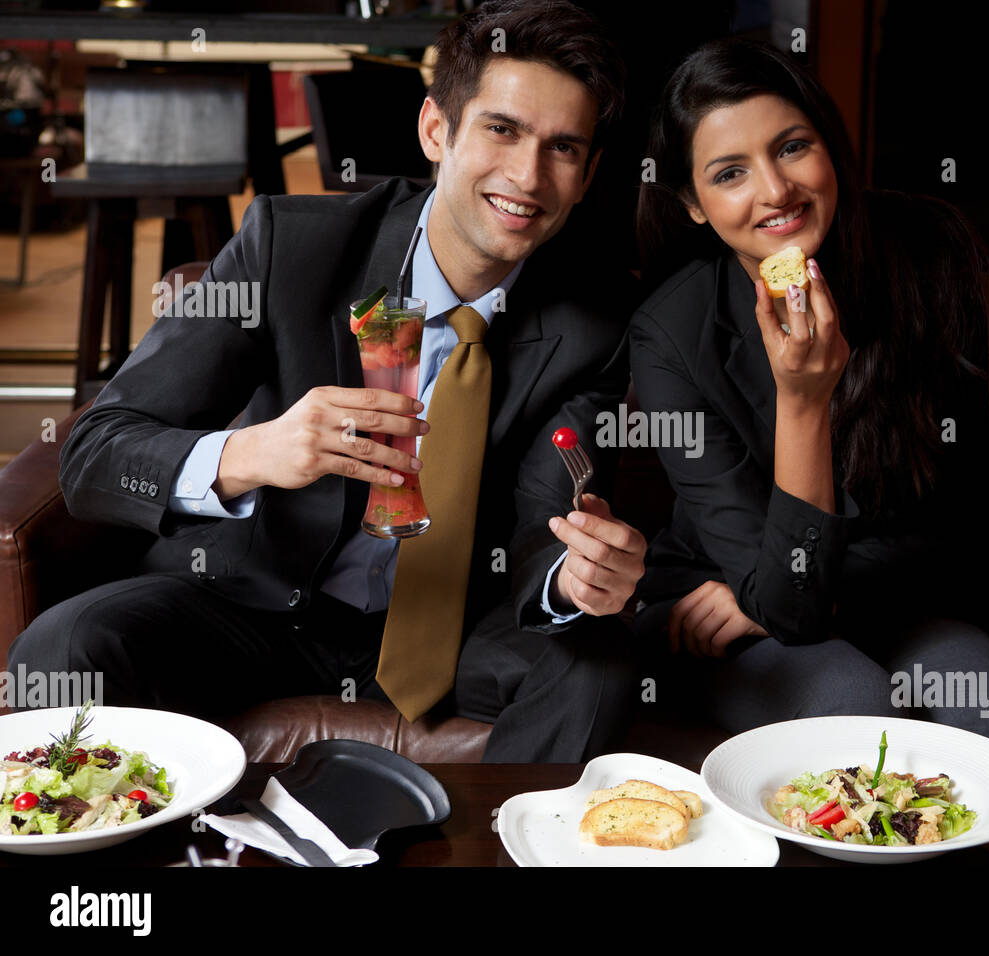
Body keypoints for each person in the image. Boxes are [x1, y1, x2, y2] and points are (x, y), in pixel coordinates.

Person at [7, 0, 648, 762]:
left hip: (452, 628)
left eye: (563, 148)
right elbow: (95, 457)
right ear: (436, 131)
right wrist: (252, 453)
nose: (526, 174)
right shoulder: (294, 246)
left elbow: (544, 521)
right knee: (67, 644)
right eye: (501, 130)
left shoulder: (594, 324)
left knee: (599, 667)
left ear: (587, 176)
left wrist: (574, 579)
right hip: (253, 604)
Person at [629, 37, 989, 738]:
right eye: (731, 173)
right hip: (727, 618)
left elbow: (956, 528)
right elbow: (791, 615)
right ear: (694, 204)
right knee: (850, 700)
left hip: (887, 600)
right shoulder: (671, 335)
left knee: (984, 693)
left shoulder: (928, 259)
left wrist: (778, 591)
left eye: (793, 147)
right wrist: (804, 402)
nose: (776, 191)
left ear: (829, 145)